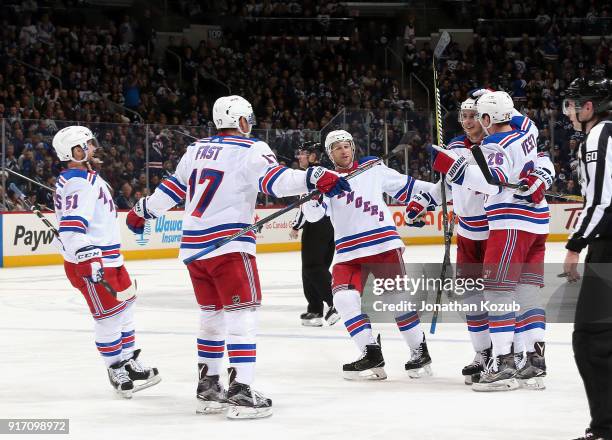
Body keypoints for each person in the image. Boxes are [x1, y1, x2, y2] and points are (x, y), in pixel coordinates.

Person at [125, 95, 349, 419]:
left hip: (194, 249)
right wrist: (313, 176)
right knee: (242, 316)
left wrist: (141, 211)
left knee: (211, 314)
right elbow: (276, 182)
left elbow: (170, 192)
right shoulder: (252, 149)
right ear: (242, 121)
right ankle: (242, 391)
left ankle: (209, 387)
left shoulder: (195, 149)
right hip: (229, 244)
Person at [406, 89, 555, 387]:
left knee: (500, 294)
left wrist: (456, 169)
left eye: (476, 114)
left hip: (503, 226)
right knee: (490, 297)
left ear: (486, 116)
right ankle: (500, 356)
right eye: (465, 115)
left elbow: (496, 182)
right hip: (481, 231)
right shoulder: (521, 128)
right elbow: (445, 186)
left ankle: (505, 361)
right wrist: (422, 201)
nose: (470, 120)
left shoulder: (494, 143)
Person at [301, 129, 434, 380]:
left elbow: (407, 187)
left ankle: (419, 350)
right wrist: (313, 192)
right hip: (348, 251)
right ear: (330, 154)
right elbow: (313, 215)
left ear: (353, 147)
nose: (343, 150)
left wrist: (440, 190)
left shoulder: (372, 167)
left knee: (397, 302)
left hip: (382, 244)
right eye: (337, 147)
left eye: (347, 145)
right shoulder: (326, 180)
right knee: (343, 301)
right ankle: (370, 352)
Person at [52, 126, 160, 399]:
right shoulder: (79, 182)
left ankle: (127, 360)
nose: (93, 148)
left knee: (125, 308)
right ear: (75, 151)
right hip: (93, 260)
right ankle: (115, 367)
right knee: (109, 317)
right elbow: (72, 228)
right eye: (87, 145)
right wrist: (88, 257)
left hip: (110, 258)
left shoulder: (84, 178)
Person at [561, 77, 612, 440]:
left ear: (589, 107)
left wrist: (575, 244)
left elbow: (602, 201)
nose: (569, 110)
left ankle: (606, 428)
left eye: (574, 103)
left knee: (592, 339)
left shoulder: (599, 136)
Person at [289, 142, 338, 327]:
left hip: (316, 226)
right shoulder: (325, 173)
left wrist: (296, 225)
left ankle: (335, 303)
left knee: (312, 268)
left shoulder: (310, 176)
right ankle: (315, 309)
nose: (299, 157)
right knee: (316, 269)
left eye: (303, 153)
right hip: (329, 227)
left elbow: (307, 206)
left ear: (313, 156)